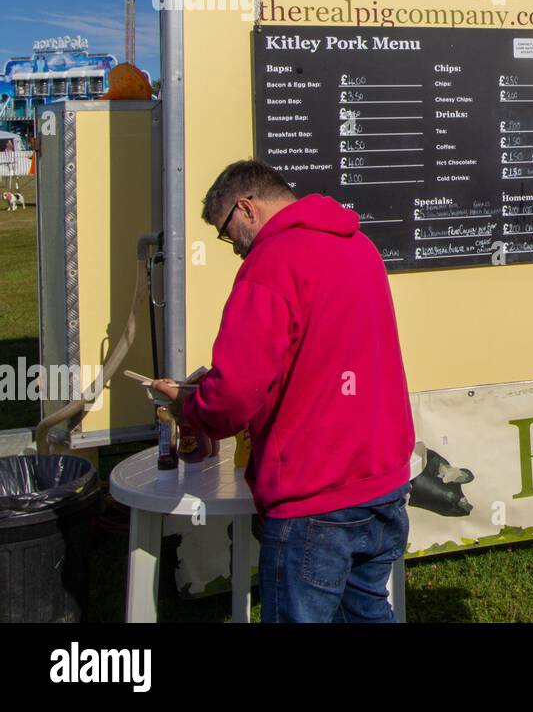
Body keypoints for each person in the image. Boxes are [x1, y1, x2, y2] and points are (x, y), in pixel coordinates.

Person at [152, 159, 415, 622]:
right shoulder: (359, 246)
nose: (232, 247)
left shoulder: (270, 263)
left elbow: (234, 394)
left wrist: (190, 405)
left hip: (314, 499)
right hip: (382, 485)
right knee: (368, 611)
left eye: (226, 231)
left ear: (246, 207)